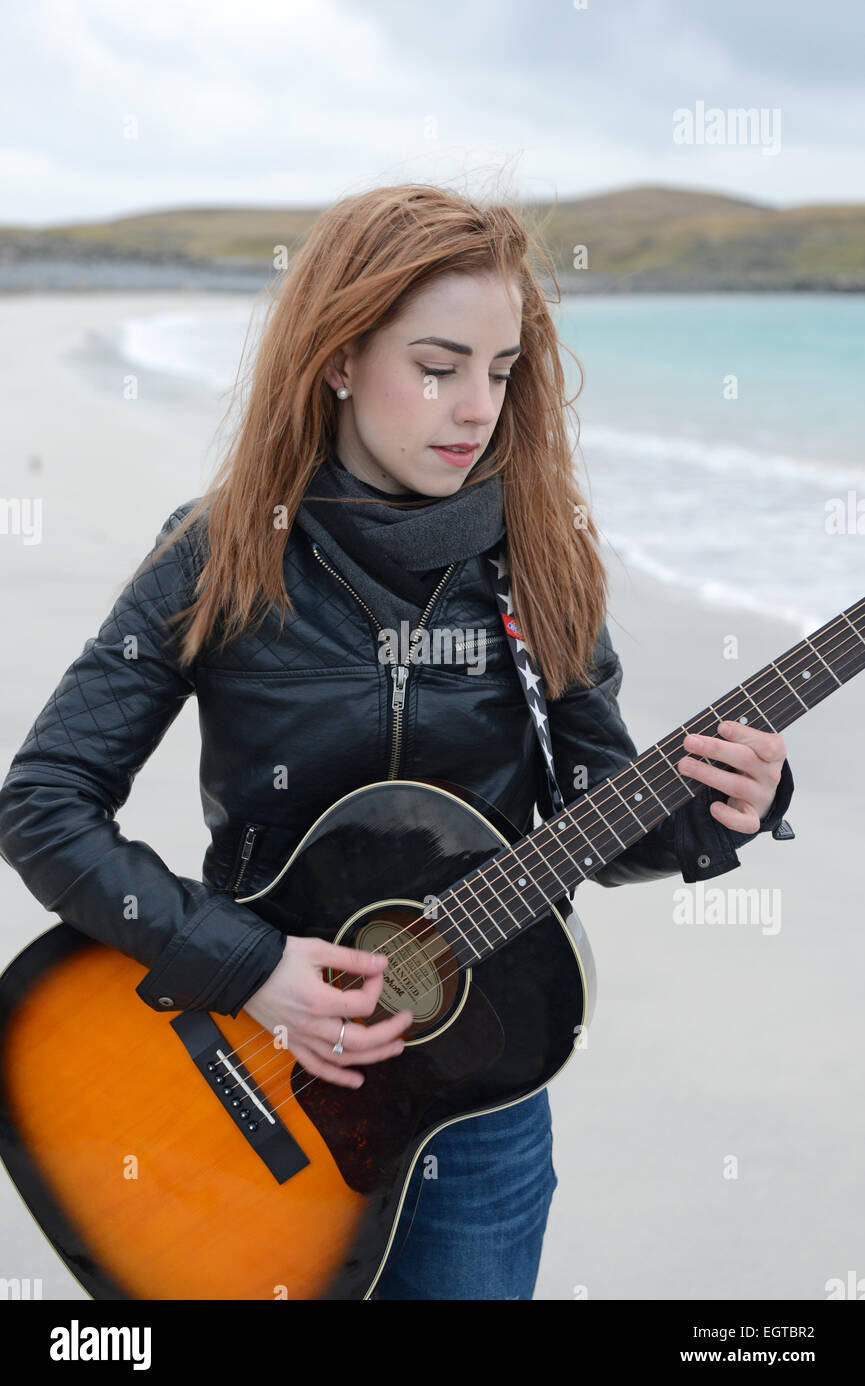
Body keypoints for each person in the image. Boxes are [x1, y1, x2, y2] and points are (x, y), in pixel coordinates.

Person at [0, 183, 794, 1301]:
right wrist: (253, 965)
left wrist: (719, 809)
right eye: (437, 364)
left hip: (479, 1110)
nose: (476, 406)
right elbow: (44, 804)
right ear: (337, 356)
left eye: (501, 369)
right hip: (244, 1074)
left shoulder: (542, 561)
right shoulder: (217, 552)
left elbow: (598, 818)